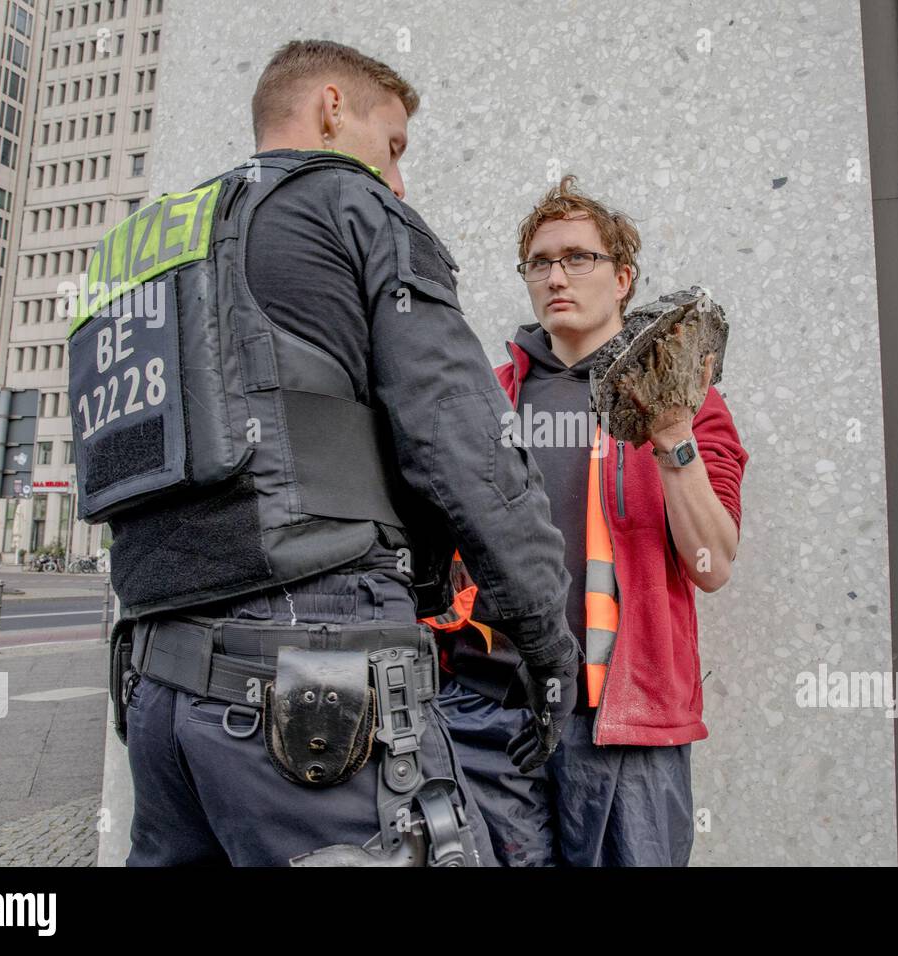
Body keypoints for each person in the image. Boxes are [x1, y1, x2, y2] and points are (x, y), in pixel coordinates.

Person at [69, 40, 579, 866]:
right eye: (395, 145)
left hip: (158, 685)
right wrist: (546, 638)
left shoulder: (146, 250)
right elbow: (461, 442)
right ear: (333, 107)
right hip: (310, 671)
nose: (399, 180)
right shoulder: (353, 206)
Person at [430, 176, 749, 866]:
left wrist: (670, 431)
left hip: (619, 726)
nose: (556, 276)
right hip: (488, 715)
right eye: (539, 263)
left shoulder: (690, 406)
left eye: (578, 257)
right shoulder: (488, 399)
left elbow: (713, 564)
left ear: (624, 278)